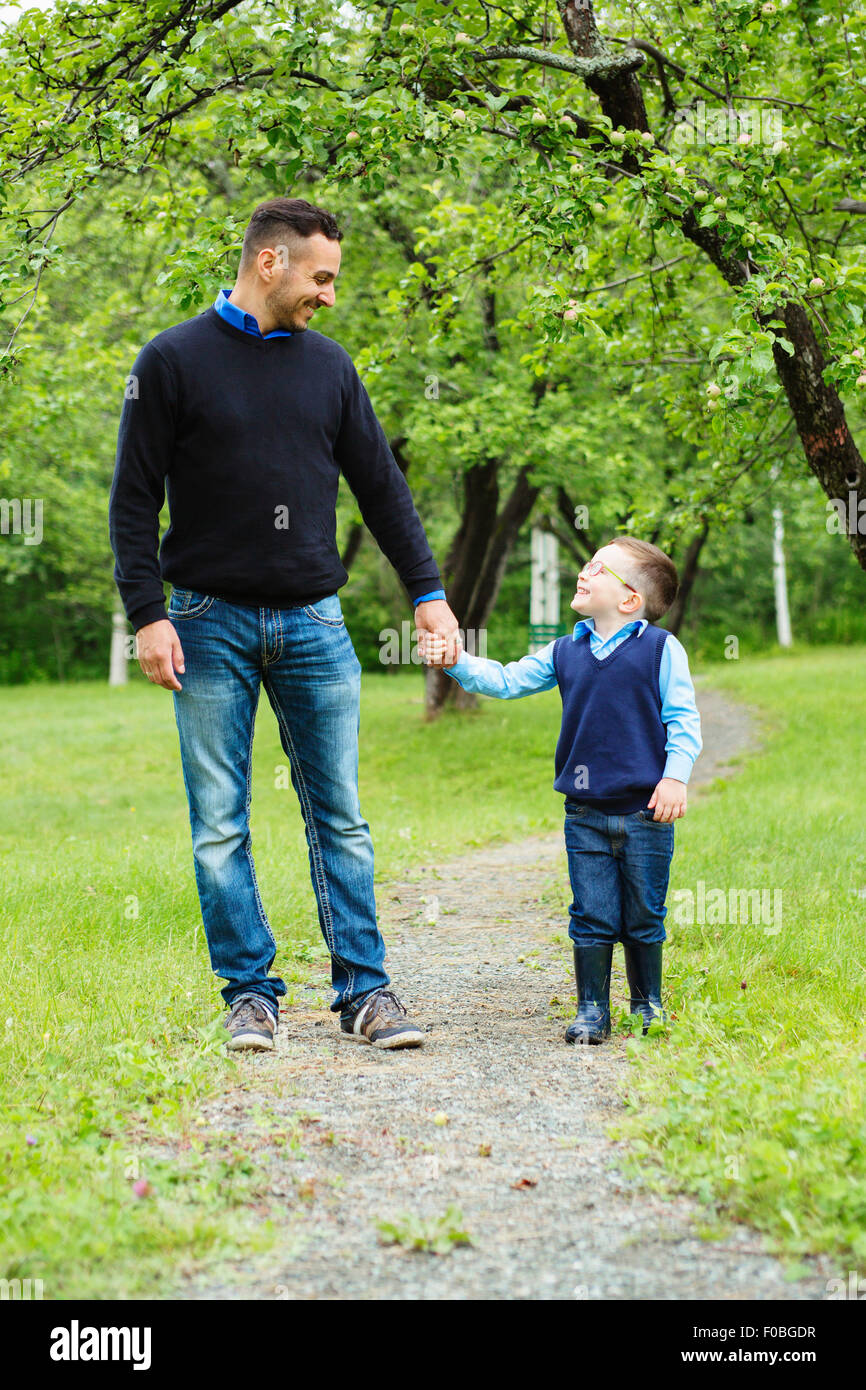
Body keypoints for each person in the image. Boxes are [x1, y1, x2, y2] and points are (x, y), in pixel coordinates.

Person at [109, 197, 459, 1052]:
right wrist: (147, 616)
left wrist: (427, 590)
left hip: (313, 620)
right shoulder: (171, 361)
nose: (329, 296)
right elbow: (131, 502)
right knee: (220, 820)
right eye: (322, 276)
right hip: (204, 622)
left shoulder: (329, 369)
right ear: (270, 261)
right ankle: (250, 997)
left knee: (338, 812)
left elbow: (382, 488)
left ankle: (366, 993)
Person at [421, 537, 702, 1044]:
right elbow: (507, 680)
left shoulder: (661, 650)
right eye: (588, 562)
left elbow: (683, 719)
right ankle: (593, 1009)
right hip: (585, 813)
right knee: (591, 912)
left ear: (629, 601)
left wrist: (675, 776)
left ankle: (646, 1004)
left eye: (599, 568)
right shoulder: (565, 650)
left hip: (647, 814)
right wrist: (457, 660)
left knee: (643, 915)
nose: (584, 570)